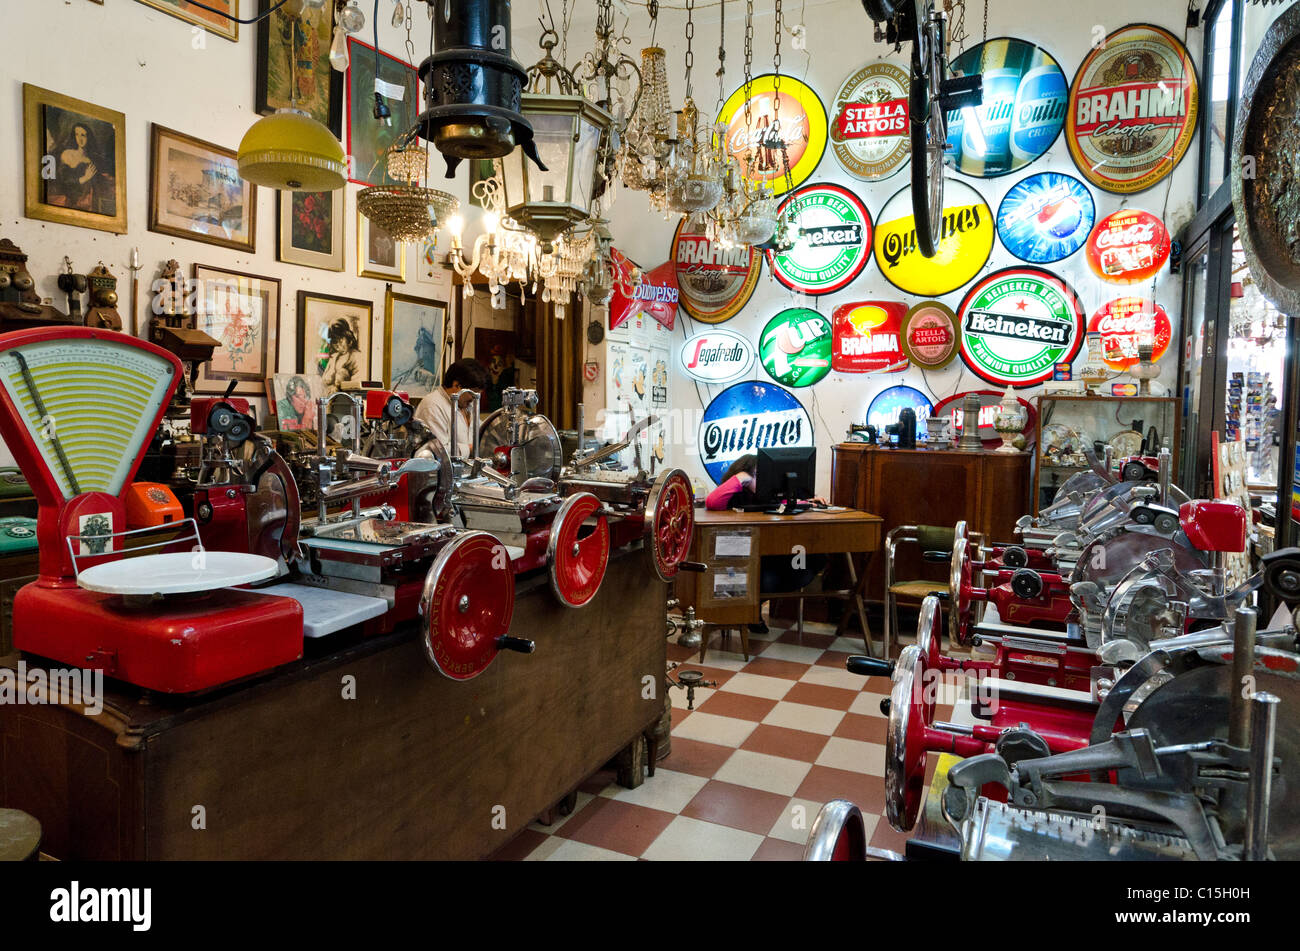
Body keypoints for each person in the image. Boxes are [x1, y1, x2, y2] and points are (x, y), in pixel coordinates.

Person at [705, 454, 829, 633]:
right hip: (741, 561)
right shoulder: (733, 497)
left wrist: (808, 502)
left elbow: (789, 503)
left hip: (773, 556)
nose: (761, 479)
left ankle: (755, 606)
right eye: (756, 474)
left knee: (817, 558)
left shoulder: (770, 496)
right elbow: (712, 502)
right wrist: (742, 478)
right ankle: (751, 609)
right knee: (767, 579)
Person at [413, 358, 490, 458]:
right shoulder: (432, 406)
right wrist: (472, 448)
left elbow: (483, 433)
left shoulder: (467, 405)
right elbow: (438, 451)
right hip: (444, 473)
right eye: (473, 392)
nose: (475, 399)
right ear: (456, 385)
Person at [320, 318, 361, 393]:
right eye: (335, 342)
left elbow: (358, 384)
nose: (338, 345)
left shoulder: (356, 356)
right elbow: (324, 381)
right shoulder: (334, 357)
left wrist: (339, 387)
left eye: (341, 341)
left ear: (348, 338)